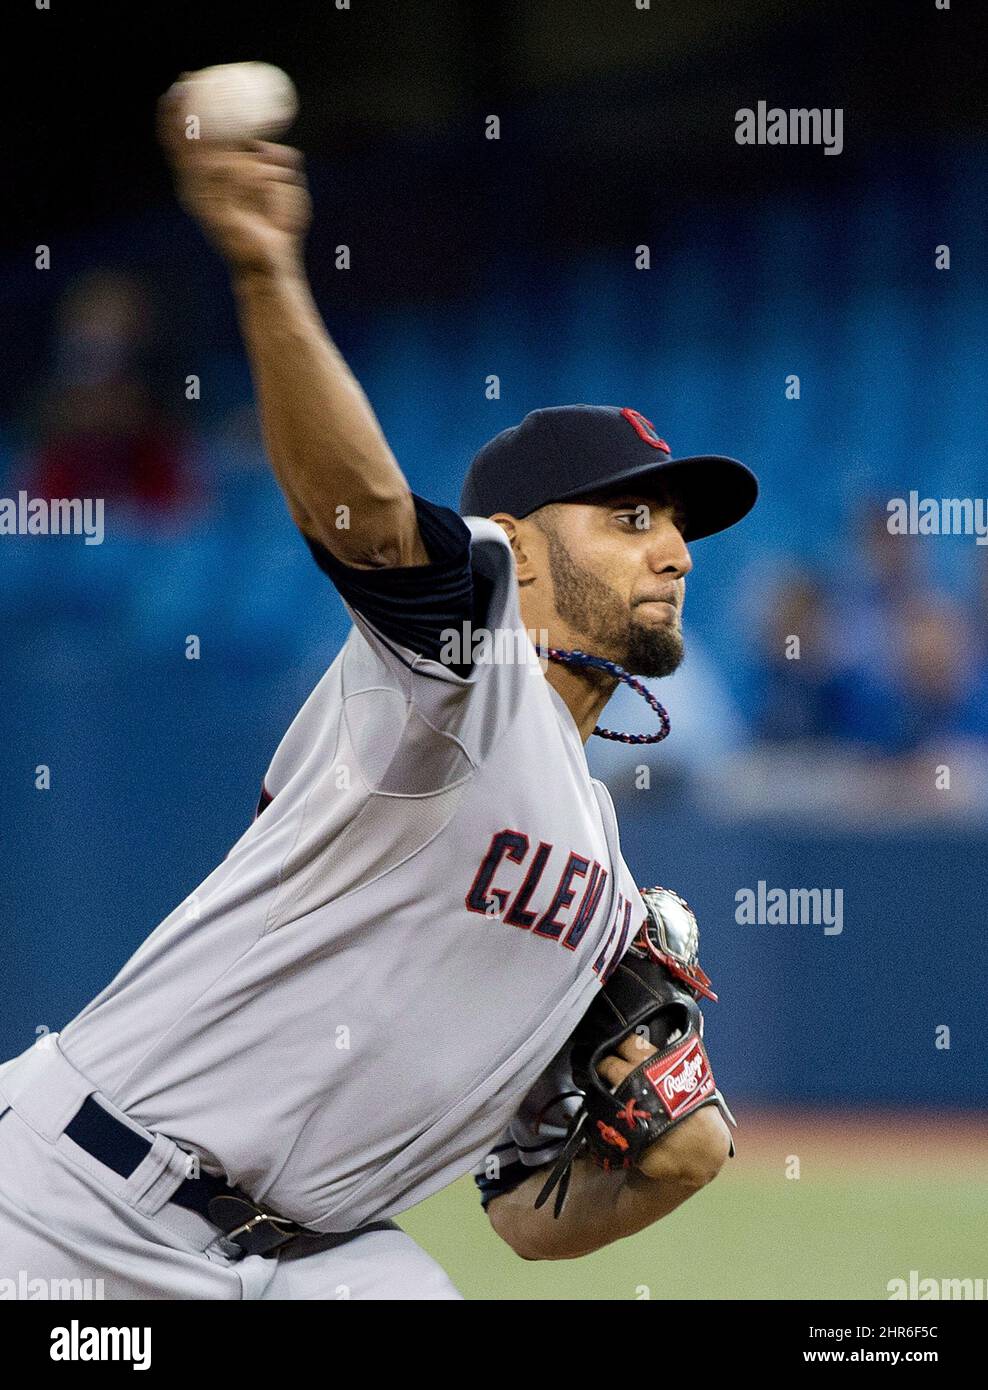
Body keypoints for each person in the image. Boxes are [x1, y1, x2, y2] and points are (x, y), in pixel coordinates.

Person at [0, 101, 756, 1299]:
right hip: (79, 1205)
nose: (672, 551)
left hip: (312, 1258)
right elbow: (357, 512)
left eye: (674, 526)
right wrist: (262, 267)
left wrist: (675, 1161)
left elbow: (522, 1220)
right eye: (628, 516)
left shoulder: (603, 891)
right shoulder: (460, 665)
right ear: (511, 538)